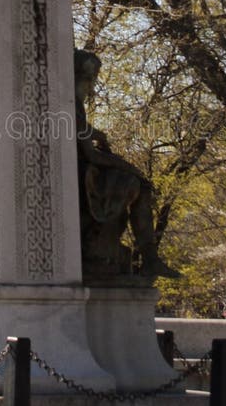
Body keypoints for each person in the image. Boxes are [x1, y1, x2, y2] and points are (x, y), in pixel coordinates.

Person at [74, 48, 178, 281]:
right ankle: (149, 257)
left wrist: (96, 135)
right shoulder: (70, 104)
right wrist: (130, 168)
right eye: (90, 80)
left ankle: (150, 257)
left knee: (136, 184)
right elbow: (92, 155)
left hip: (84, 170)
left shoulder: (73, 104)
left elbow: (86, 138)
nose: (92, 86)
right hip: (82, 174)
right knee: (136, 183)